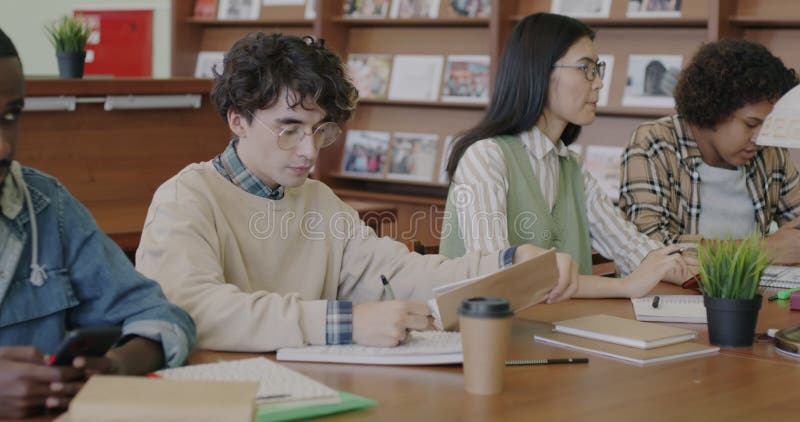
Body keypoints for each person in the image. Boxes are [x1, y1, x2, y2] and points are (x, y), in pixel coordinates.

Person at [135, 32, 573, 353]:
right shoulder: (185, 198)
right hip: (221, 398)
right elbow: (192, 310)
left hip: (309, 383)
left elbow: (399, 273)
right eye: (290, 130)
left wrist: (507, 263)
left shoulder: (318, 200)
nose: (309, 151)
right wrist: (344, 323)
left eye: (320, 130)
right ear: (237, 120)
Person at [0, 28, 195, 418]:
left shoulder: (45, 206)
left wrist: (115, 367)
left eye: (11, 115)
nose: (4, 146)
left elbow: (160, 316)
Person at [439, 13, 693, 298]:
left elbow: (630, 247)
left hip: (554, 329)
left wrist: (688, 267)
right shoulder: (485, 157)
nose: (598, 83)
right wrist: (623, 286)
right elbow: (498, 274)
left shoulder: (572, 167)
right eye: (585, 68)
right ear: (538, 71)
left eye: (598, 69)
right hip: (481, 336)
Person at [619, 39, 800, 264]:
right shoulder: (653, 144)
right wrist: (764, 250)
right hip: (672, 297)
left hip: (752, 296)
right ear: (714, 109)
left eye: (768, 125)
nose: (760, 138)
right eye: (751, 124)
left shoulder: (771, 152)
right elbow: (649, 249)